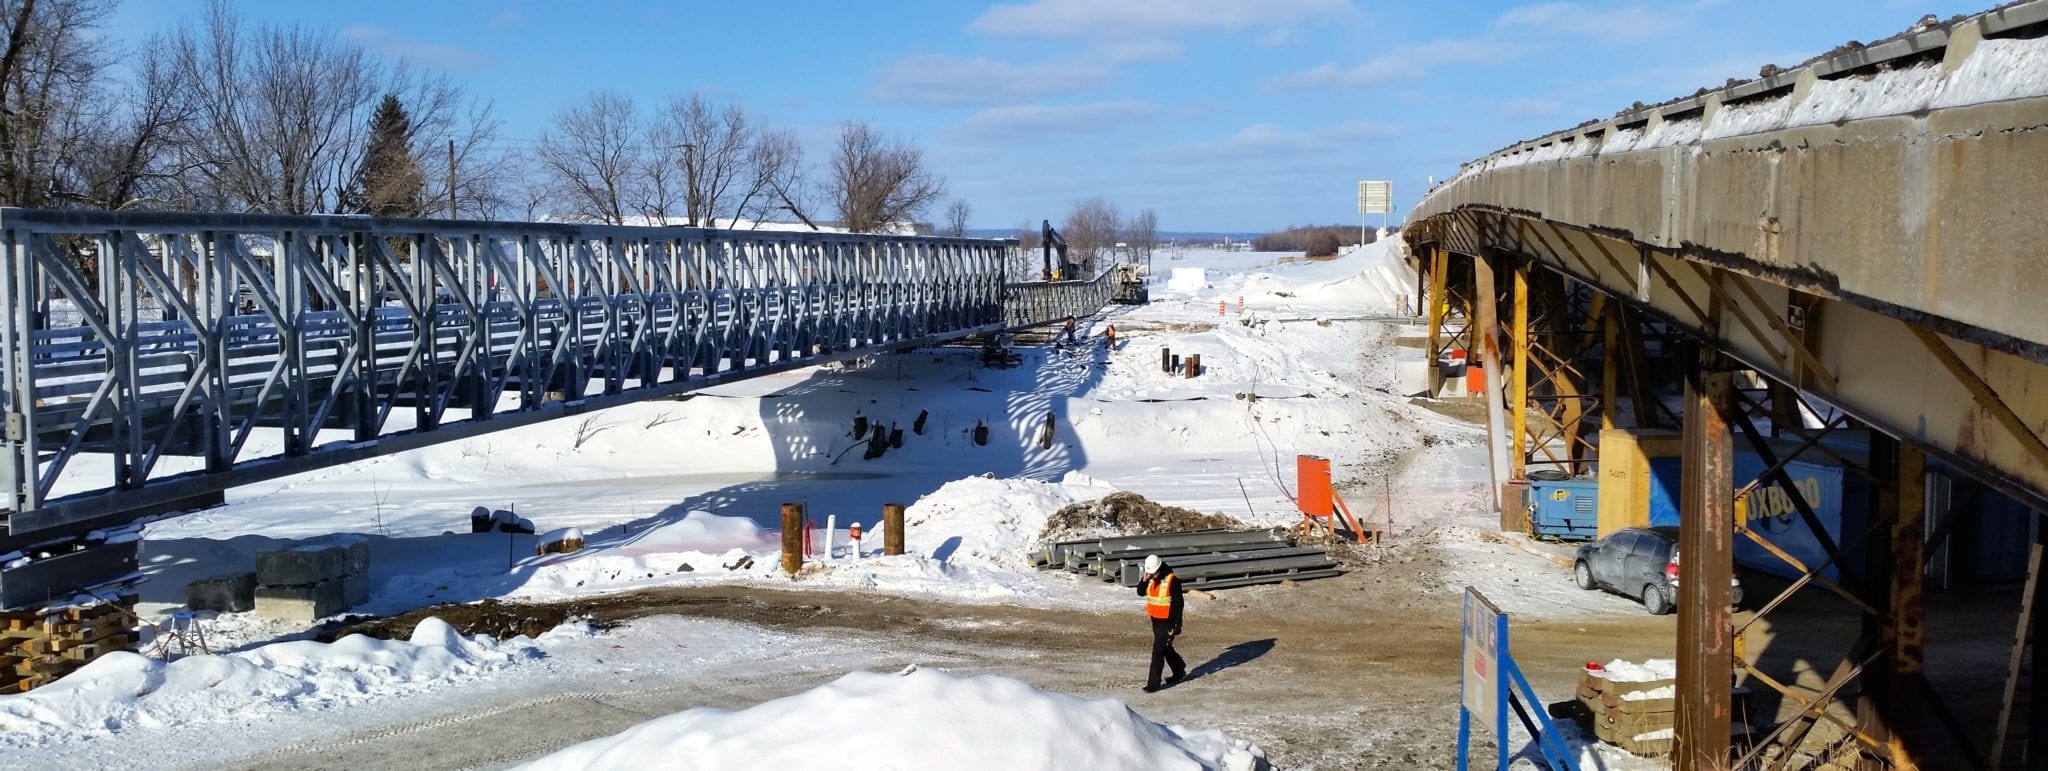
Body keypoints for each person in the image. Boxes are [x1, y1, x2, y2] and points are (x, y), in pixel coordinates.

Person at [1137, 554, 1186, 692]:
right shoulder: (1150, 578)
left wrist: (1176, 625)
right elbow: (1140, 592)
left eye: (1153, 573)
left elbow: (1178, 604)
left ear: (1159, 568)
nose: (1151, 576)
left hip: (1167, 622)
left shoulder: (1172, 580)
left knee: (1157, 651)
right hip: (1155, 620)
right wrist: (1144, 580)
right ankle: (1179, 669)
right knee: (1165, 647)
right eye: (1149, 573)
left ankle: (1154, 683)